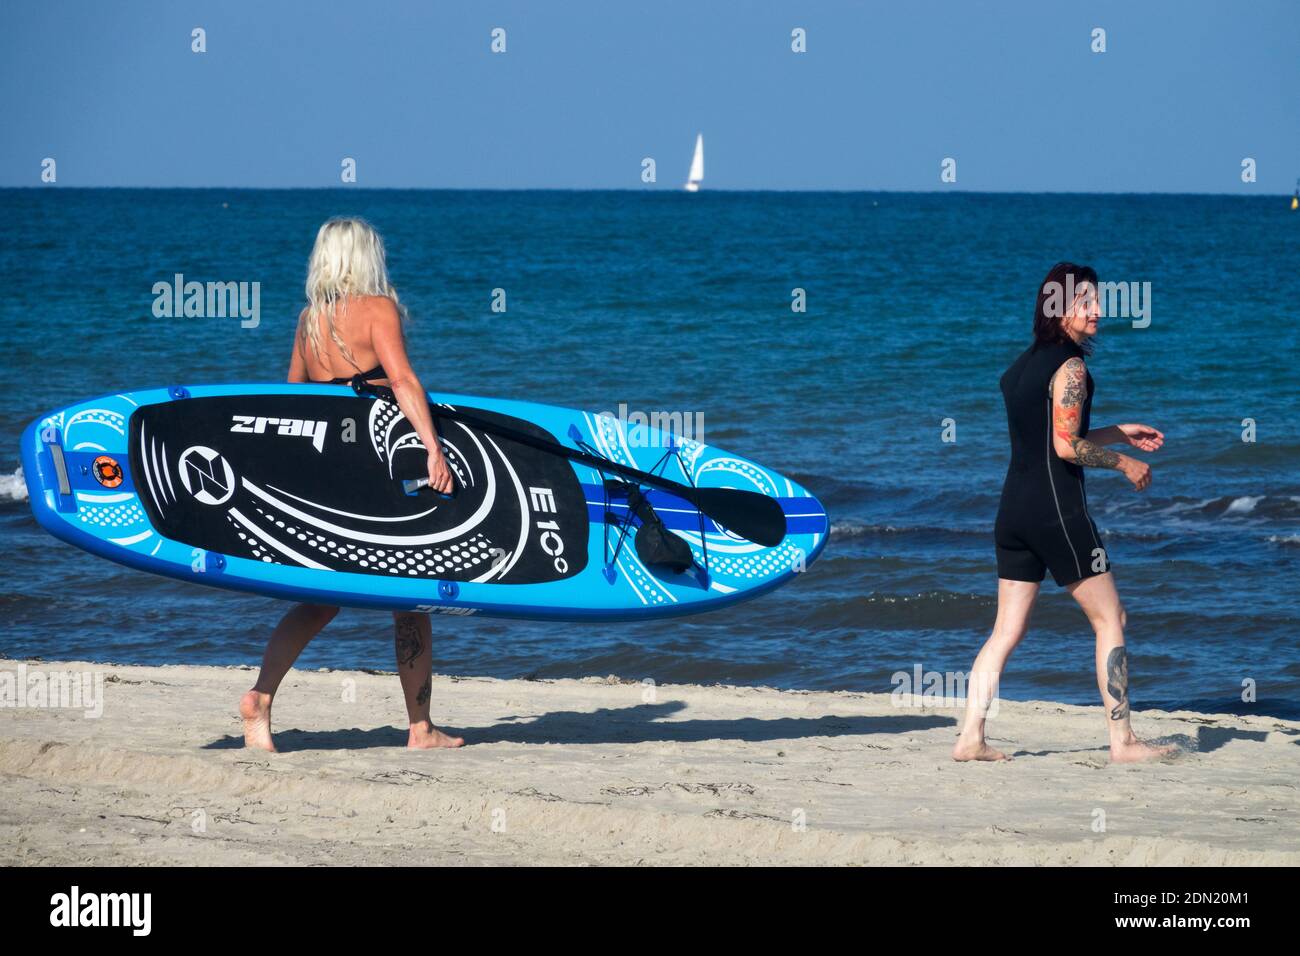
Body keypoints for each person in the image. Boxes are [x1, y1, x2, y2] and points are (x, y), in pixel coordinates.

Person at [239, 217, 462, 752]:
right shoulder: (378, 309)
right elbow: (404, 381)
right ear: (366, 258)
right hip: (374, 462)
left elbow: (292, 400)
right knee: (411, 595)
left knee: (319, 598)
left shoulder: (308, 321)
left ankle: (261, 698)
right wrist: (433, 447)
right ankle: (420, 728)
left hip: (323, 471)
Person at [953, 262, 1173, 763]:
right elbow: (1067, 447)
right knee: (1111, 616)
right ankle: (1124, 743)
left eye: (1098, 301)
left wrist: (1119, 430)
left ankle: (970, 738)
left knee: (1006, 630)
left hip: (1013, 511)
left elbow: (1051, 438)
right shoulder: (1072, 368)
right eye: (1086, 302)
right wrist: (1125, 464)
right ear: (1058, 307)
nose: (1098, 310)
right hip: (1058, 511)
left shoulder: (1023, 365)